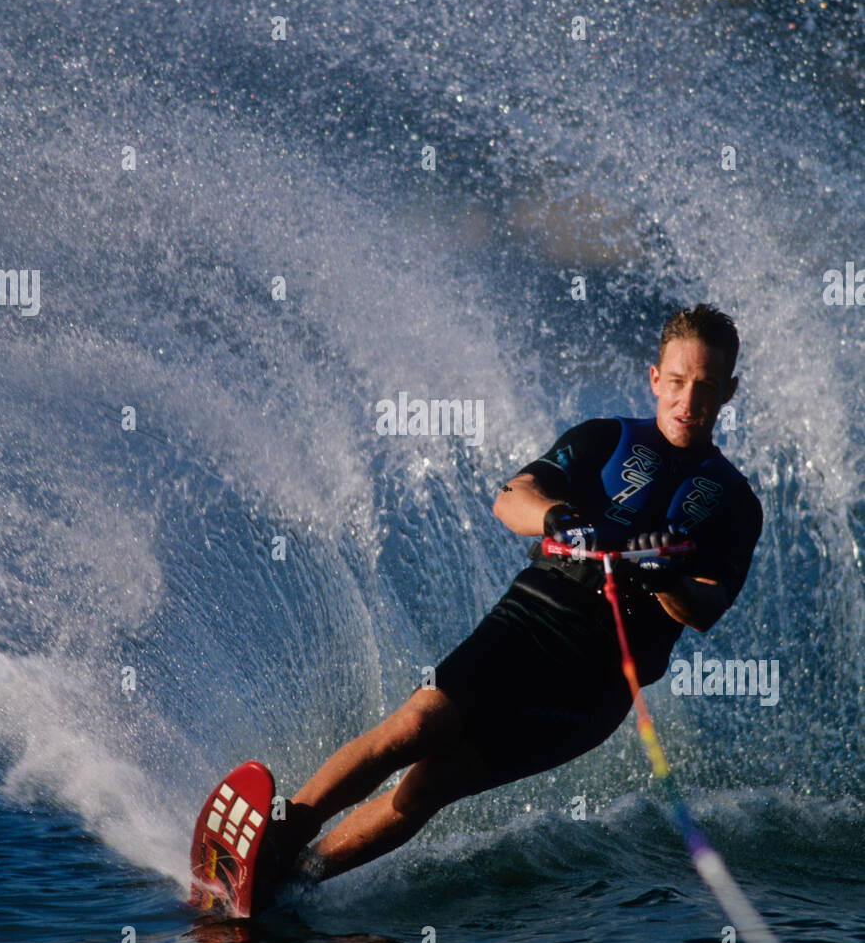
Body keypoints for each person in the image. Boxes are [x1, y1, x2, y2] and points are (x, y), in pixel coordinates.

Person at [266, 304, 763, 892]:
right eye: (677, 382)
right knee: (416, 724)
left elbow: (705, 608)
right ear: (655, 377)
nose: (688, 401)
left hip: (596, 686)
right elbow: (512, 496)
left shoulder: (734, 502)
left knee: (433, 783)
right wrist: (560, 519)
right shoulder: (607, 439)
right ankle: (279, 839)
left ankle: (298, 881)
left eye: (706, 387)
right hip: (529, 621)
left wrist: (664, 580)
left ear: (728, 391)